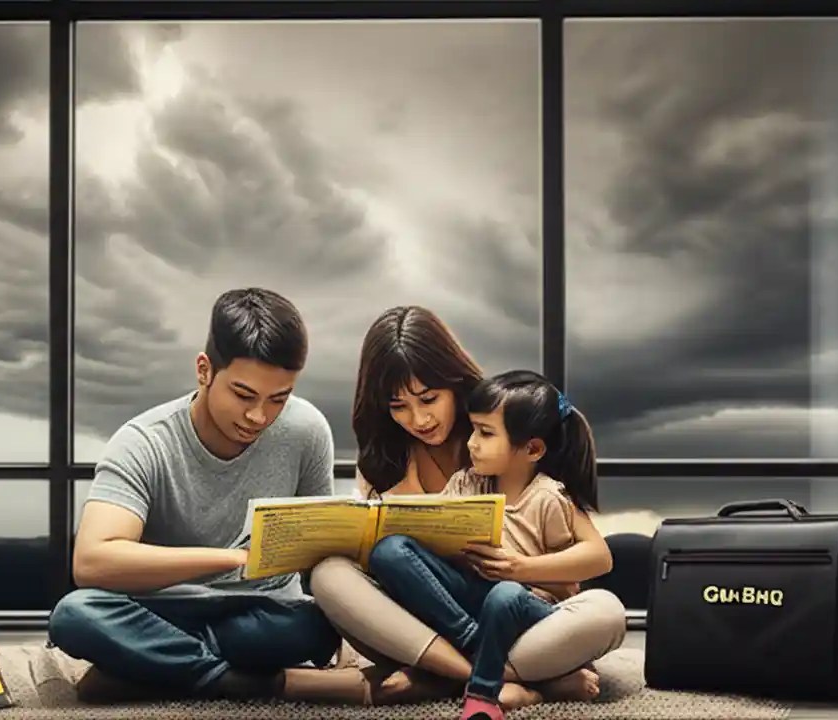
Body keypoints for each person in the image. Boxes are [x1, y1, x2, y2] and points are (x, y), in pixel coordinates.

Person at [48, 288, 357, 703]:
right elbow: (91, 561)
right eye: (244, 395)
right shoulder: (144, 441)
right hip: (164, 608)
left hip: (263, 613)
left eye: (278, 399)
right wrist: (234, 560)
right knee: (76, 615)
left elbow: (319, 552)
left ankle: (145, 670)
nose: (258, 416)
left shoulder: (307, 430)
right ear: (204, 370)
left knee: (316, 627)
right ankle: (252, 683)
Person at [310, 306, 626, 706]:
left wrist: (523, 568)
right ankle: (501, 679)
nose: (418, 418)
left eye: (428, 398)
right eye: (398, 406)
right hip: (429, 617)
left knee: (605, 611)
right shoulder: (384, 461)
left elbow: (591, 558)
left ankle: (444, 677)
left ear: (454, 383)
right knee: (328, 576)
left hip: (517, 614)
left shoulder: (504, 439)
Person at [369, 369, 610, 720]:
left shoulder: (547, 497)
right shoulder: (466, 483)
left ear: (532, 449)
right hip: (475, 604)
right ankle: (492, 662)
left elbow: (570, 583)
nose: (471, 444)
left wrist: (518, 568)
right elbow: (435, 545)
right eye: (473, 430)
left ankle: (481, 693)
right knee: (389, 552)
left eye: (485, 433)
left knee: (506, 594)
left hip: (527, 613)